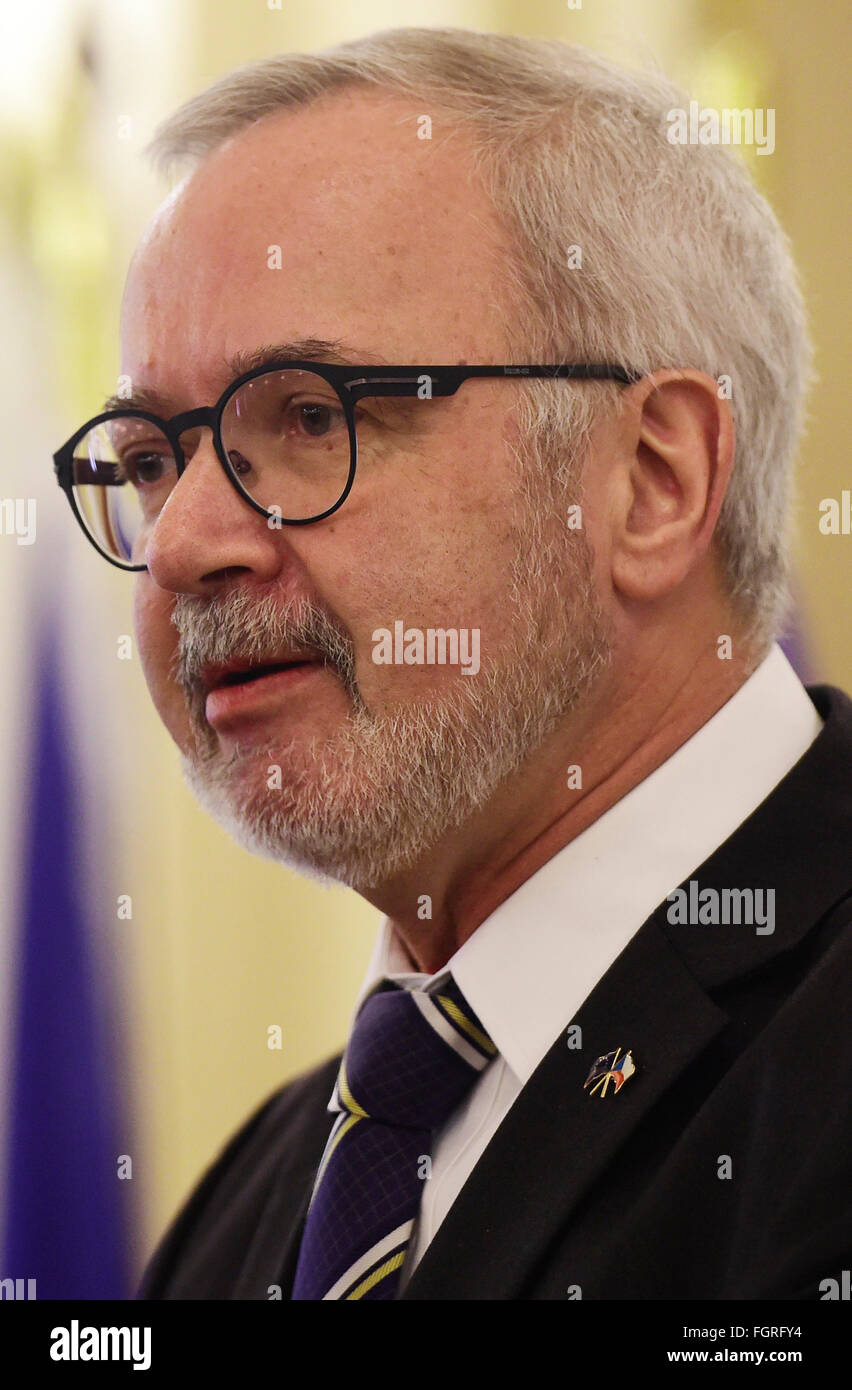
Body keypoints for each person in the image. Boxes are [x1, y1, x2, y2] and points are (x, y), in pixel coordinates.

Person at [53, 28, 852, 1300]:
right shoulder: (244, 1211)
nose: (182, 545)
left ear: (652, 482)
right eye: (152, 459)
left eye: (310, 416)